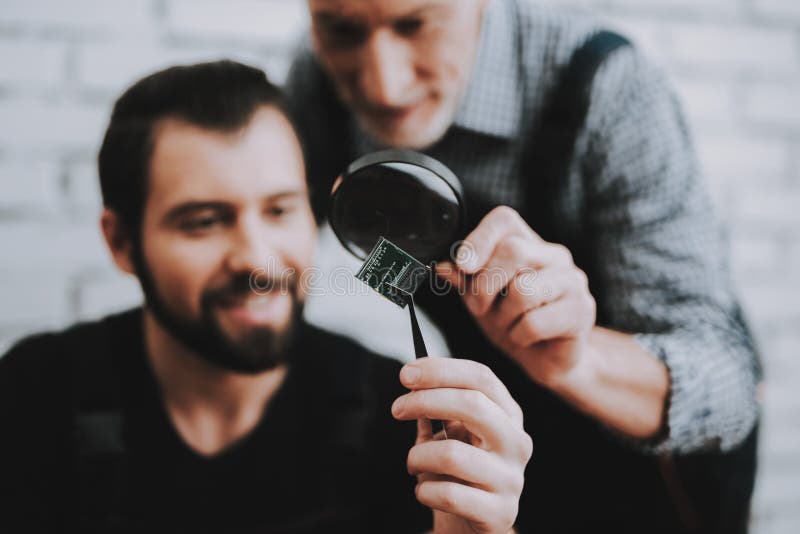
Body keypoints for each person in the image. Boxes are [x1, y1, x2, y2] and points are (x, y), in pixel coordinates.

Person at [284, 0, 761, 531]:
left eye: (415, 24)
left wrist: (579, 363)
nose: (383, 86)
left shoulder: (604, 87)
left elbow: (728, 388)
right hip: (485, 473)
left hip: (640, 482)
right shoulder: (317, 84)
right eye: (341, 31)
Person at [0, 60, 532, 533]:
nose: (257, 260)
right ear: (121, 241)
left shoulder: (405, 422)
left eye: (279, 211)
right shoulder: (31, 396)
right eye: (204, 222)